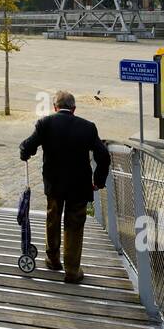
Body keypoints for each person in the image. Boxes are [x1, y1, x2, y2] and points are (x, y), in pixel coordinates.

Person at [19, 91, 110, 284]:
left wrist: (26, 152)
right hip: (79, 185)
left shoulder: (45, 124)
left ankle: (52, 259)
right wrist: (99, 181)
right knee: (74, 225)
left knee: (53, 218)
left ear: (55, 107)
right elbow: (104, 156)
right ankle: (72, 270)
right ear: (74, 109)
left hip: (54, 184)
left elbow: (28, 146)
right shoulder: (88, 127)